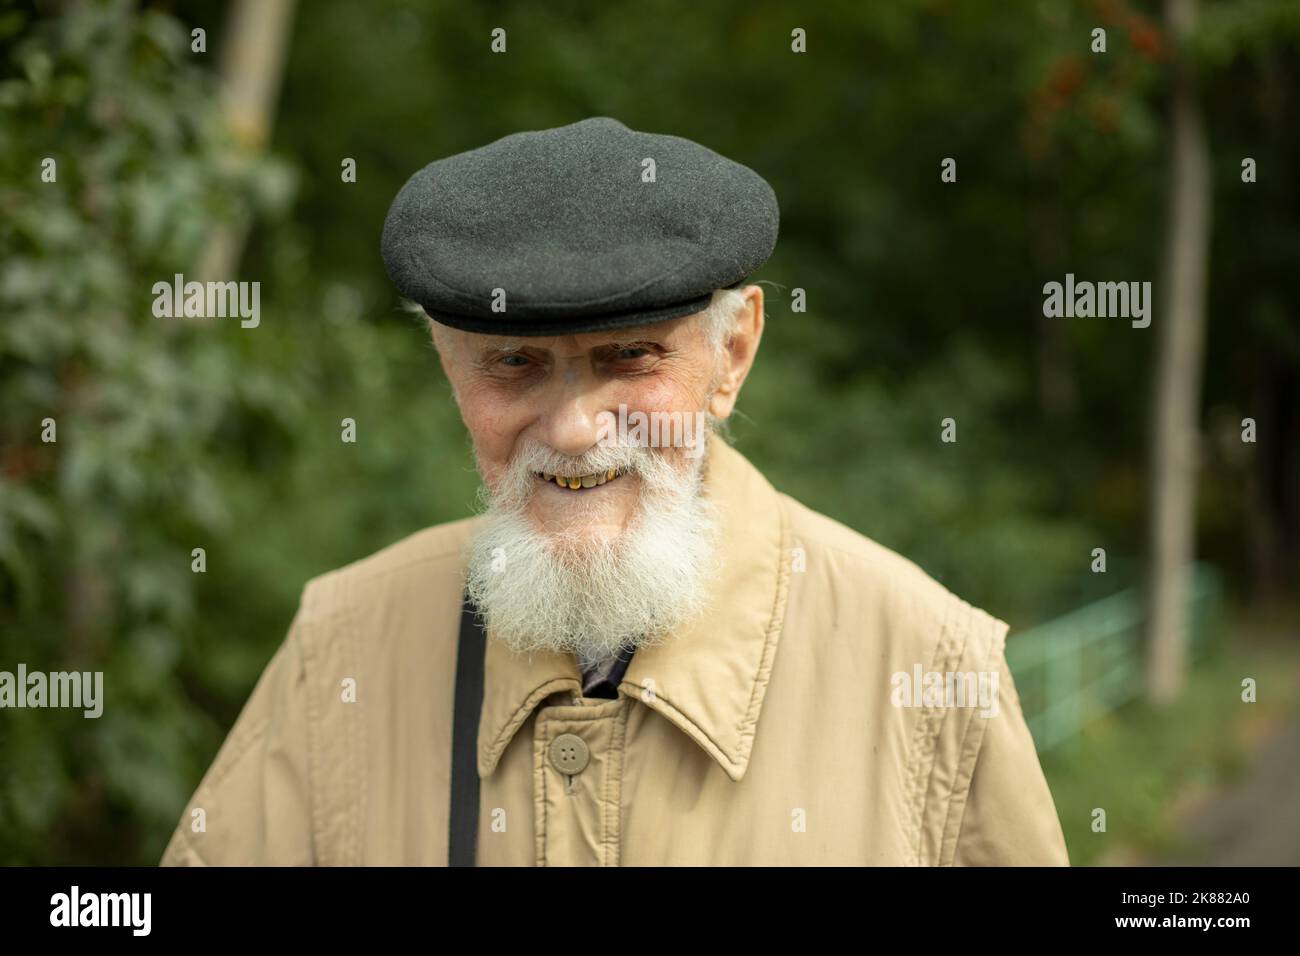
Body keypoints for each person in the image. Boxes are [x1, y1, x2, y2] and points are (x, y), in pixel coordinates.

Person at [160, 117, 1069, 866]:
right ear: (447, 367)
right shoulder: (341, 646)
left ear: (732, 357)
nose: (573, 429)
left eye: (629, 357)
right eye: (514, 365)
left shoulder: (934, 666)